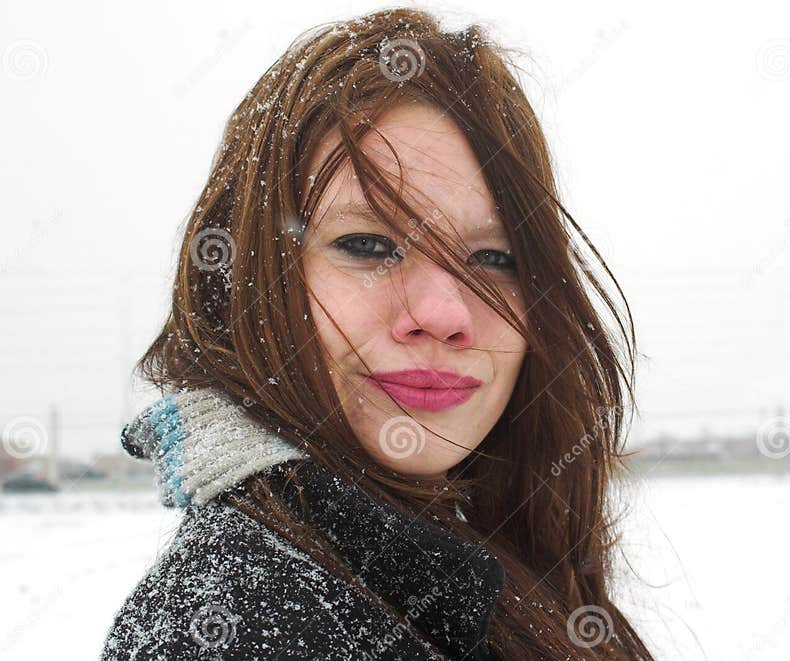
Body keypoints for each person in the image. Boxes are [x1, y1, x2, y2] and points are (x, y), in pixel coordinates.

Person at [100, 7, 654, 660]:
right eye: (369, 244)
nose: (446, 313)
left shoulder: (489, 567)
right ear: (248, 283)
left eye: (496, 257)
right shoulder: (234, 623)